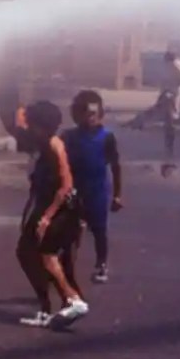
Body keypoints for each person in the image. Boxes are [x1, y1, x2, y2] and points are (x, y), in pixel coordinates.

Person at [3, 101, 90, 328]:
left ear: (42, 125)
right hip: (44, 206)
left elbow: (66, 186)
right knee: (26, 253)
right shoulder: (39, 142)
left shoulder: (54, 145)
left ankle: (73, 300)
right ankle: (46, 308)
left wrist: (47, 217)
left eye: (32, 122)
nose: (28, 126)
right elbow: (14, 122)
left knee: (47, 255)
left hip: (60, 209)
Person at [63, 90, 124, 284]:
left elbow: (115, 166)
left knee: (99, 231)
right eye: (86, 114)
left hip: (98, 192)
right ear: (76, 115)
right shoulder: (69, 137)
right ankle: (67, 270)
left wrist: (117, 195)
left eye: (94, 114)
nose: (91, 118)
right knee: (72, 233)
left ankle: (101, 264)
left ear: (100, 114)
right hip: (74, 191)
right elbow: (59, 165)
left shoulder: (107, 137)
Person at [128, 51, 180, 167]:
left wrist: (170, 91)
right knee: (162, 115)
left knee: (168, 121)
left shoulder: (174, 65)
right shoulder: (178, 63)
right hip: (170, 94)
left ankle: (168, 146)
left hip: (170, 95)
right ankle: (138, 123)